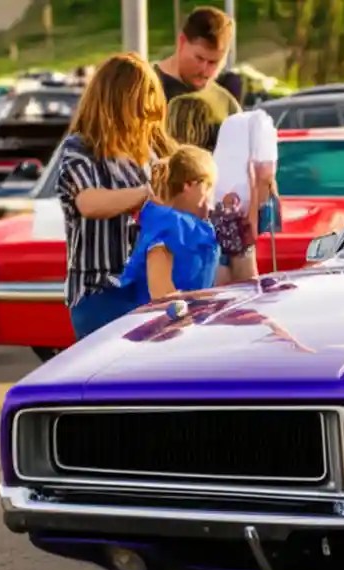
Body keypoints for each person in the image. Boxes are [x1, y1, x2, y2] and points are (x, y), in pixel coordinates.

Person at [57, 52, 177, 340]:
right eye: (140, 107)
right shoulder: (81, 147)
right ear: (116, 103)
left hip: (150, 291)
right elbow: (89, 202)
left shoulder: (153, 151)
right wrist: (146, 194)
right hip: (101, 294)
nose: (147, 117)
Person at [118, 145, 220, 307]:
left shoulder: (194, 228)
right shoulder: (165, 227)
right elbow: (161, 295)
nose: (210, 195)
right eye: (207, 186)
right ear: (189, 185)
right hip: (162, 327)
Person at [155, 6, 241, 150]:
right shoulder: (143, 89)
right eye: (199, 58)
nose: (204, 69)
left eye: (213, 62)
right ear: (182, 42)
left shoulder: (227, 106)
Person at [210, 109, 277, 285]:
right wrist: (255, 214)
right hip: (243, 215)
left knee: (220, 275)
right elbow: (264, 175)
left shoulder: (229, 128)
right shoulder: (261, 124)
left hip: (216, 212)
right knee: (245, 283)